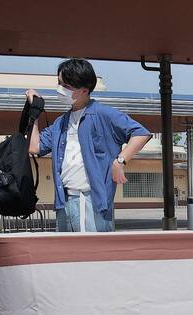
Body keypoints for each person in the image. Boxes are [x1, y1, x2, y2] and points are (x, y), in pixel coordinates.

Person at [26, 59, 151, 232]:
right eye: (59, 83)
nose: (60, 89)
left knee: (92, 254)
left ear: (84, 90)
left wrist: (120, 161)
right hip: (65, 200)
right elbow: (34, 147)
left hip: (91, 200)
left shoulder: (103, 114)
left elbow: (141, 133)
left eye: (66, 85)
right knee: (69, 256)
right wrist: (34, 114)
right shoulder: (61, 122)